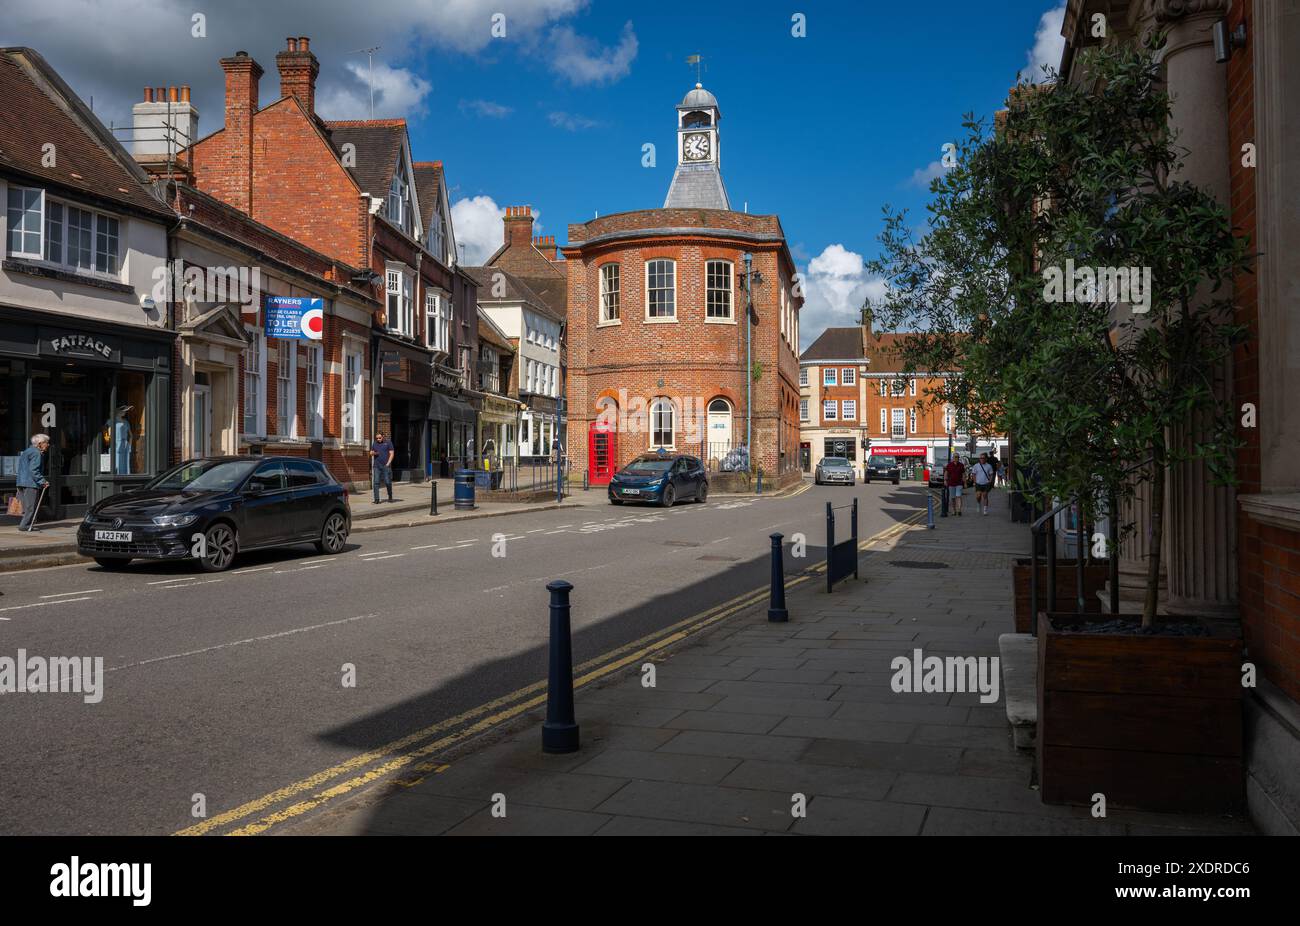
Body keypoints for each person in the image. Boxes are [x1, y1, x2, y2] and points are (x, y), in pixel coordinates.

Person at [16, 433, 50, 532]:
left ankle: (27, 523)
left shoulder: (28, 451)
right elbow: (34, 470)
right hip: (30, 483)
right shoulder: (36, 453)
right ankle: (25, 525)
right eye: (46, 443)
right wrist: (42, 481)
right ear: (40, 444)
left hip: (21, 482)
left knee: (26, 506)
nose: (48, 445)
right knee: (30, 506)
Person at [370, 431, 395, 504]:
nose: (378, 439)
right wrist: (373, 453)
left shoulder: (388, 443)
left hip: (386, 465)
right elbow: (371, 452)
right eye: (377, 438)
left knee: (387, 482)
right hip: (376, 466)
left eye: (379, 438)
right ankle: (376, 499)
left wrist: (388, 463)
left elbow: (392, 453)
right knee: (376, 482)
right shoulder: (374, 443)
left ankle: (390, 495)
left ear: (383, 436)